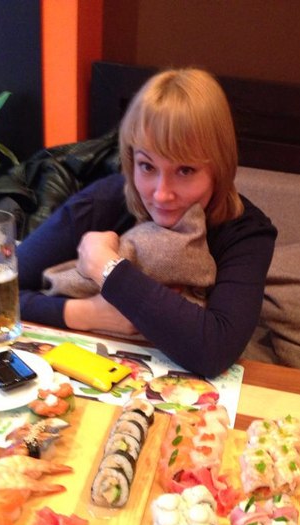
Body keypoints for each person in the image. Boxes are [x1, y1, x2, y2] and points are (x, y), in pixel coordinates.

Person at [17, 67, 277, 377]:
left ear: (219, 168)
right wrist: (87, 314)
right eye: (147, 166)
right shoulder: (103, 201)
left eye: (185, 170)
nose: (162, 194)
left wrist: (105, 266)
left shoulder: (247, 232)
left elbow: (215, 349)